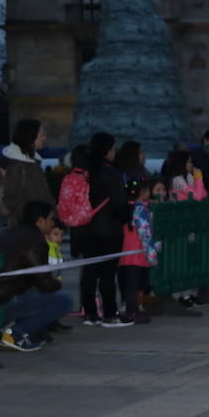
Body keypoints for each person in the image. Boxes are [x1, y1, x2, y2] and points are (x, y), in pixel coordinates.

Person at [0, 200, 74, 351]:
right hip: (6, 298)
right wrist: (56, 284)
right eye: (50, 219)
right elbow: (43, 279)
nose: (52, 223)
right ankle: (16, 333)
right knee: (64, 300)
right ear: (40, 220)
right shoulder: (36, 240)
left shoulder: (10, 233)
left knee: (34, 291)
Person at [75, 133, 131, 327]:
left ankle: (90, 313)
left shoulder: (84, 170)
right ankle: (110, 314)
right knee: (108, 273)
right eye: (113, 148)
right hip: (108, 229)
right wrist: (127, 217)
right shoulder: (109, 172)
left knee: (90, 271)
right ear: (107, 150)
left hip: (85, 227)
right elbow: (119, 201)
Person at [0, 119, 55, 226]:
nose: (44, 138)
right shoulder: (17, 165)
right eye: (41, 135)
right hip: (28, 228)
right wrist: (35, 218)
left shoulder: (31, 162)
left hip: (38, 225)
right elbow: (10, 200)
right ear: (31, 137)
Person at [119, 178, 159, 324]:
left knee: (130, 284)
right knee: (134, 285)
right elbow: (145, 233)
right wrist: (152, 254)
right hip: (138, 252)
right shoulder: (141, 209)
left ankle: (132, 309)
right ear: (143, 193)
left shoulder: (128, 207)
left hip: (126, 251)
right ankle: (132, 311)